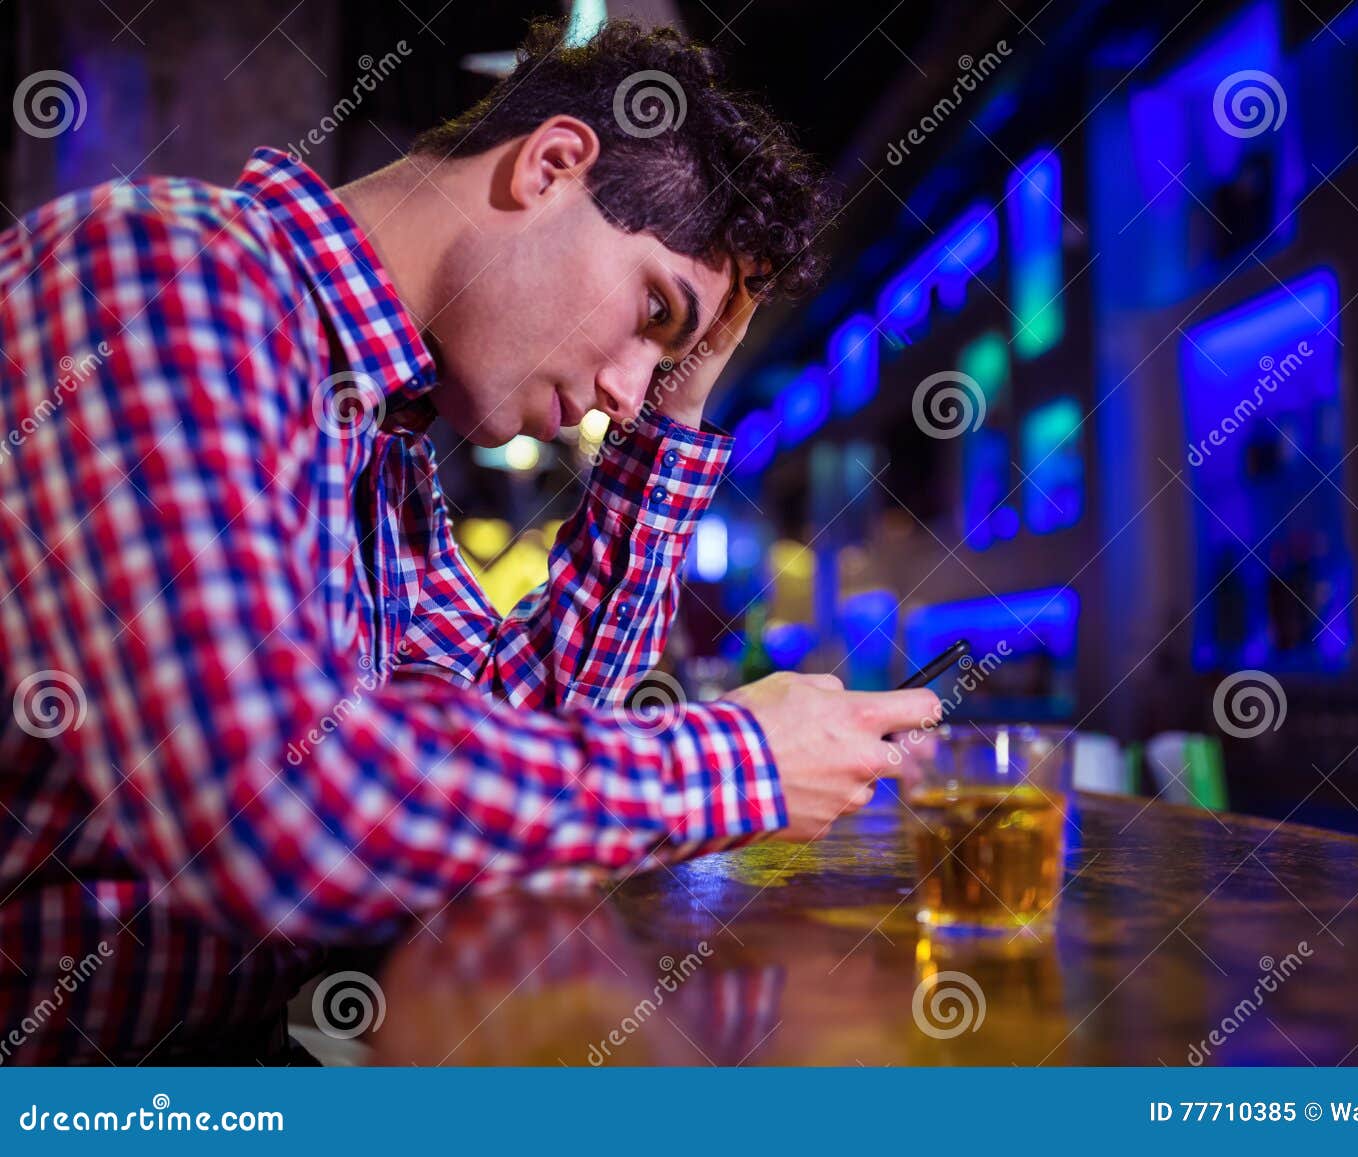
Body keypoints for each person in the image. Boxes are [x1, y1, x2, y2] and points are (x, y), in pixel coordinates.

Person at [0, 18, 939, 1064]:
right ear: (550, 166)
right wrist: (736, 762)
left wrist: (680, 415)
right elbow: (269, 805)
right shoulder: (164, 271)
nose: (629, 395)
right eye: (653, 311)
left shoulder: (380, 439)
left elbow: (526, 725)